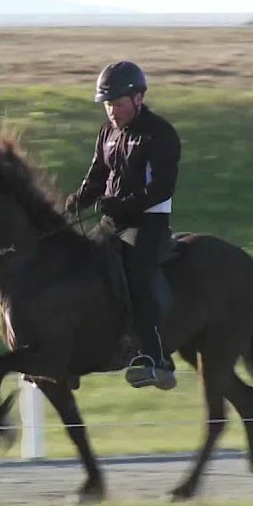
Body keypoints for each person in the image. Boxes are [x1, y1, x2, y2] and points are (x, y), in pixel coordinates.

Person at [64, 60, 181, 390]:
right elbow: (98, 174)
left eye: (117, 104)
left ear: (139, 98)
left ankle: (156, 359)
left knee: (137, 278)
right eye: (107, 106)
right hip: (113, 220)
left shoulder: (160, 134)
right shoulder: (108, 132)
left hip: (147, 223)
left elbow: (161, 188)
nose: (112, 112)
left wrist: (122, 204)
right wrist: (77, 201)